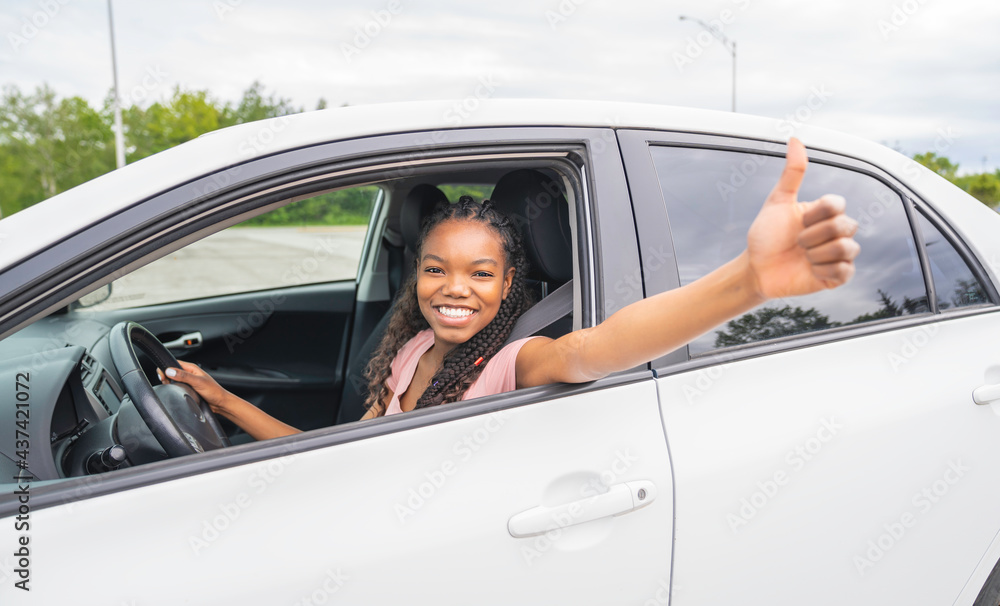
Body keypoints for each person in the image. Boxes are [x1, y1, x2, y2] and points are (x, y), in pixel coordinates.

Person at [159, 138, 860, 441]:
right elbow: (326, 454)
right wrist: (220, 400)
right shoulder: (407, 355)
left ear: (509, 285)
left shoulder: (513, 363)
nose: (452, 289)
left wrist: (746, 282)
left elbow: (598, 350)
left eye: (480, 273)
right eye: (436, 269)